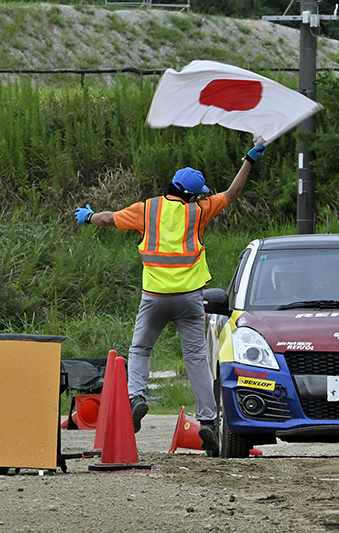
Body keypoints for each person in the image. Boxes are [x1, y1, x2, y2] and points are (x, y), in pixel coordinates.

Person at [74, 144, 266, 455]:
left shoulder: (147, 209)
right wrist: (247, 161)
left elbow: (109, 219)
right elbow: (232, 193)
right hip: (190, 300)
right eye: (199, 194)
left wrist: (88, 217)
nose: (202, 198)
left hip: (153, 297)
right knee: (196, 360)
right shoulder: (199, 212)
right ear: (192, 196)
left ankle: (137, 398)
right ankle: (207, 420)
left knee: (140, 348)